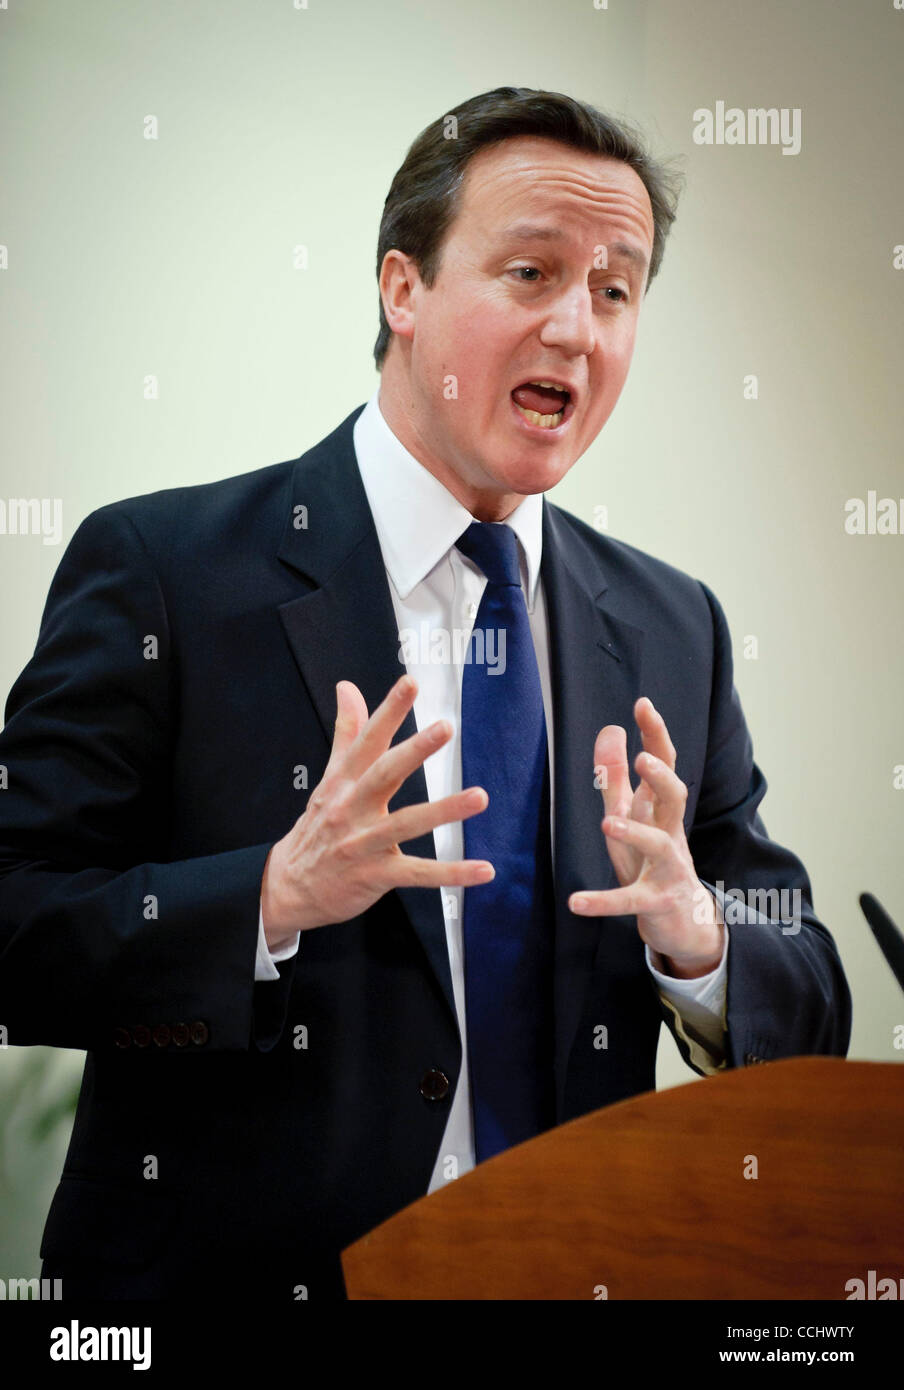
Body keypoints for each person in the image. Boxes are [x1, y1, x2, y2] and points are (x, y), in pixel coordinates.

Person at [0, 87, 850, 1300]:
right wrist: (270, 897)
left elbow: (805, 980)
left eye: (616, 291)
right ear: (401, 289)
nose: (577, 327)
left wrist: (697, 935)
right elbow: (18, 923)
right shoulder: (166, 572)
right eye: (529, 273)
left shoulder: (672, 625)